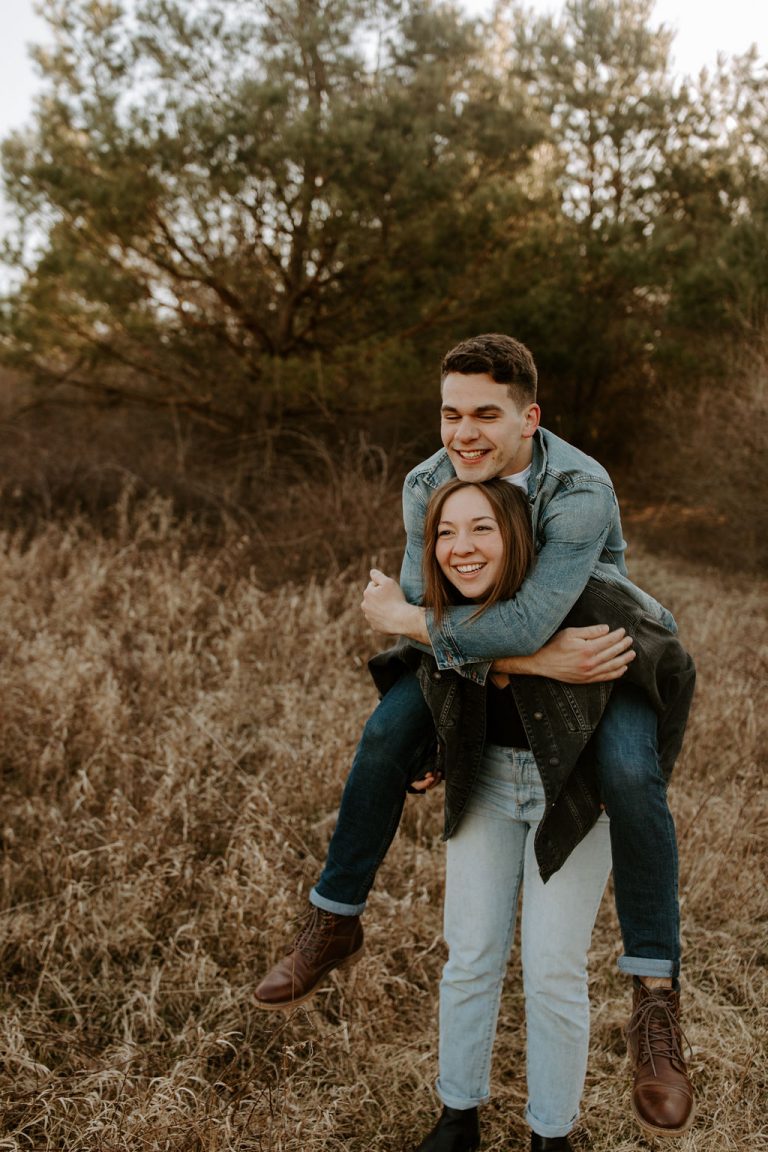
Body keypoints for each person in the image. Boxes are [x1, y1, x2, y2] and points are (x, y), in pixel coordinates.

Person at [254, 334, 696, 1137]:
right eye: (451, 414)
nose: (463, 435)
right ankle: (335, 915)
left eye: (485, 416)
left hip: (600, 649)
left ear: (529, 417)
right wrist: (493, 660)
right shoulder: (429, 481)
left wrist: (410, 619)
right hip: (513, 669)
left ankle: (655, 996)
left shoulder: (579, 485)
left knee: (631, 777)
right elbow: (438, 618)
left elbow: (500, 617)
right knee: (389, 732)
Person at [365, 475, 692, 1151]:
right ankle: (458, 1118)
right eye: (447, 531)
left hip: (574, 794)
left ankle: (552, 1135)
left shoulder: (593, 602)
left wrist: (635, 779)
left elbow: (674, 670)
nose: (462, 547)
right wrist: (432, 751)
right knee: (471, 956)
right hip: (485, 786)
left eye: (482, 528)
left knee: (552, 970)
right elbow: (426, 684)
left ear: (523, 536)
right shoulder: (440, 609)